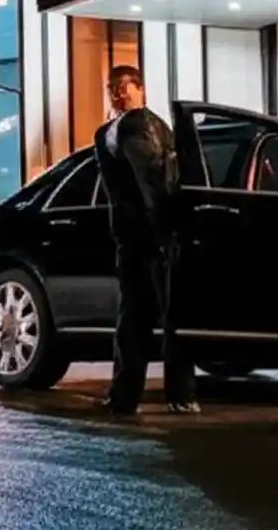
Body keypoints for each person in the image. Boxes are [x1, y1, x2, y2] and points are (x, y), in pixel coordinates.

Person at [93, 65, 199, 415]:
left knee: (137, 319)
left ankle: (128, 396)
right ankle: (179, 395)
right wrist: (168, 233)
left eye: (124, 87)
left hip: (139, 237)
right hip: (153, 238)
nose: (118, 93)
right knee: (167, 316)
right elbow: (156, 181)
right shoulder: (135, 126)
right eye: (112, 88)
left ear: (141, 88)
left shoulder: (129, 127)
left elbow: (154, 180)